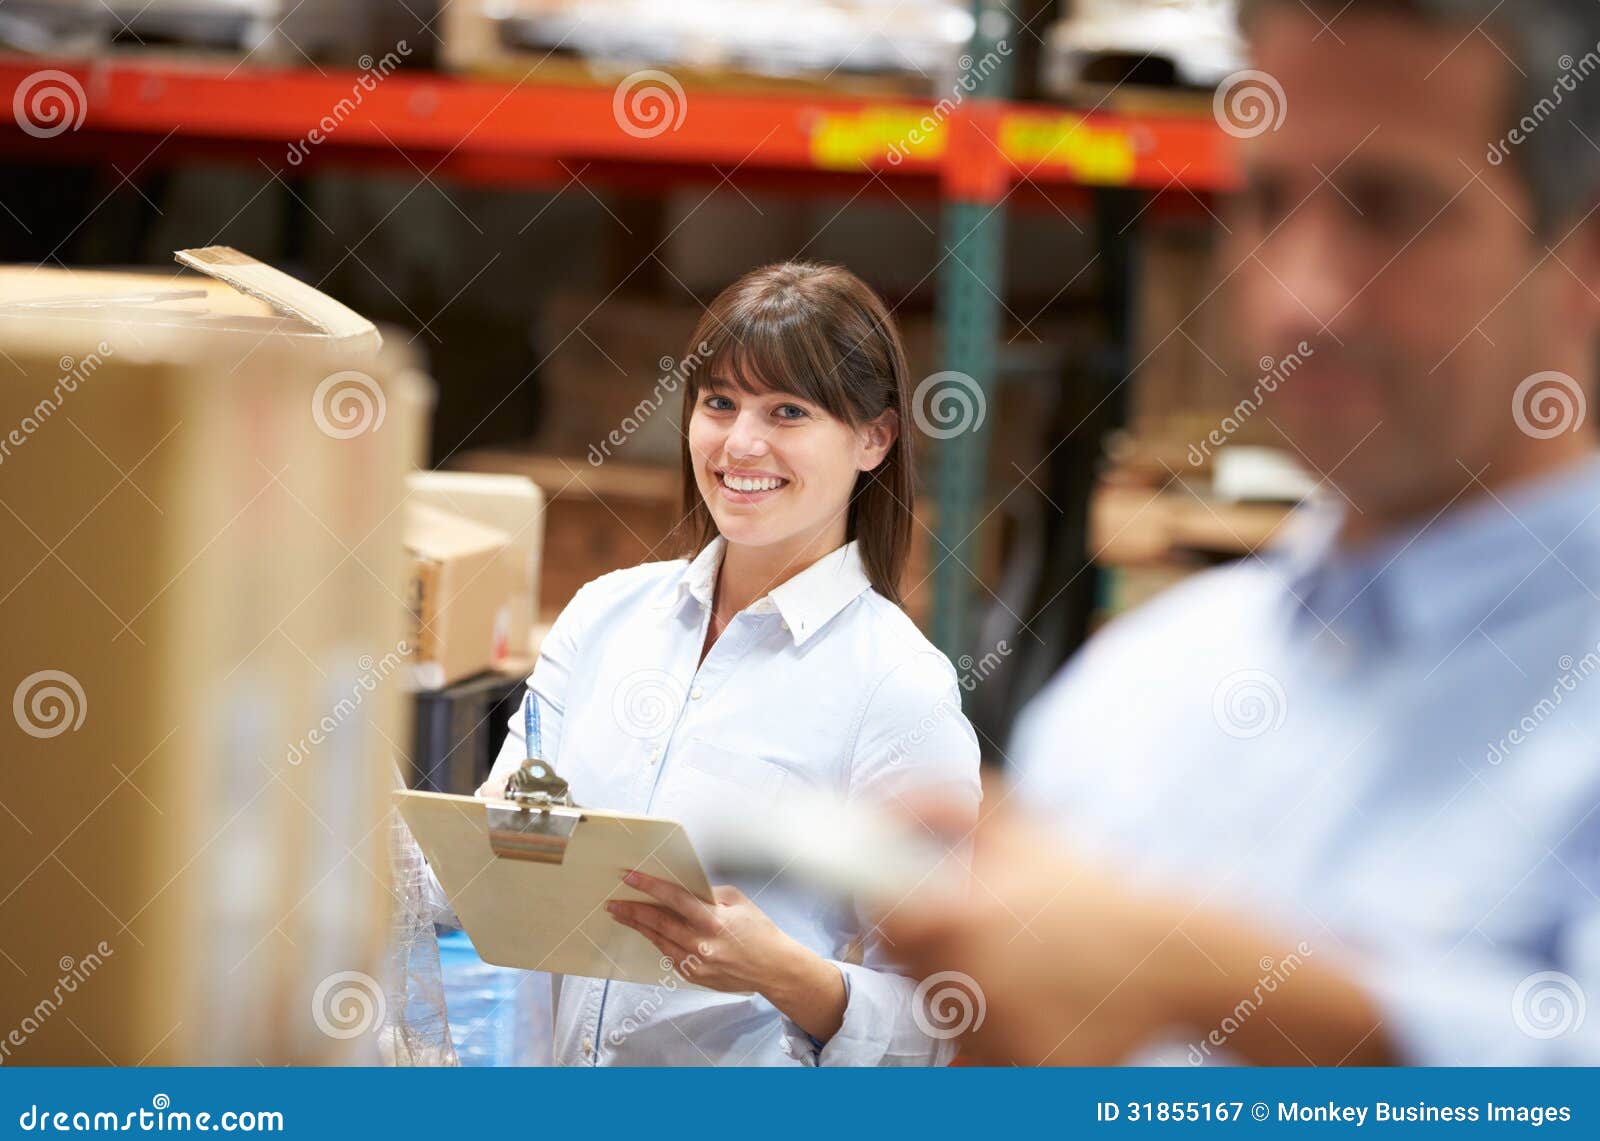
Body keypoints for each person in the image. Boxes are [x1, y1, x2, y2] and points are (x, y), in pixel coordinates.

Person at [881, 0, 1600, 1066]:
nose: (1300, 299)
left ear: (1579, 260)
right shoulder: (1128, 700)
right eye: (1265, 201)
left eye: (1386, 206)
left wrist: (1221, 986)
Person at [467, 262, 981, 1066]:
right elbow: (501, 845)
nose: (742, 443)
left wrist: (786, 973)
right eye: (720, 403)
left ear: (875, 438)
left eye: (788, 411)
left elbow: (943, 1019)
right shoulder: (605, 616)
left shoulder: (898, 687)